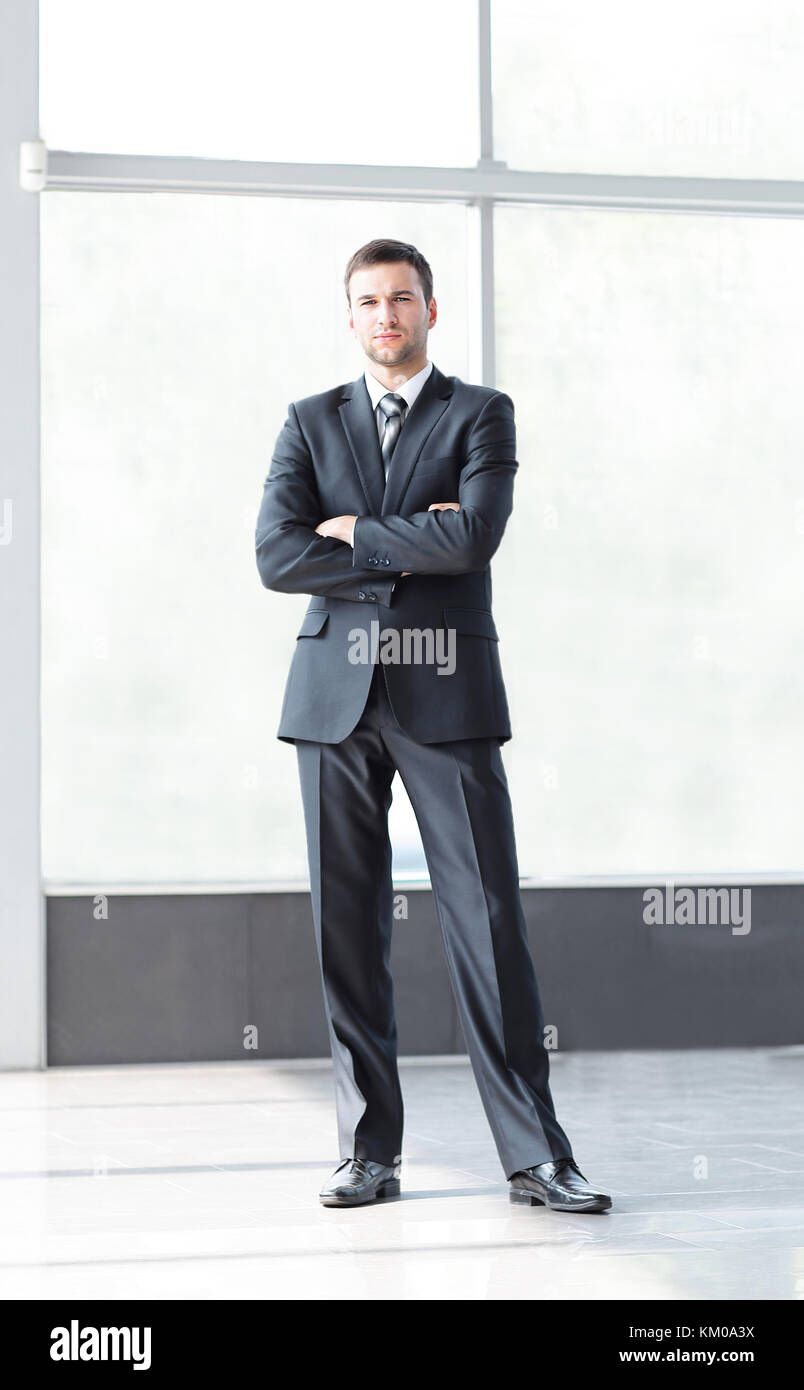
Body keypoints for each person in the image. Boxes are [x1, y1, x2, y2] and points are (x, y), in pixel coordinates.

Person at [255, 237, 611, 1214]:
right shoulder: (308, 421)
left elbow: (476, 535)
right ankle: (369, 1152)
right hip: (332, 705)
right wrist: (411, 543)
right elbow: (276, 556)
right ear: (352, 313)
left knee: (487, 922)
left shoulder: (479, 414)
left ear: (430, 309)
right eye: (367, 301)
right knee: (346, 931)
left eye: (401, 299)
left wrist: (358, 533)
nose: (385, 316)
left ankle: (537, 1156)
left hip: (447, 697)